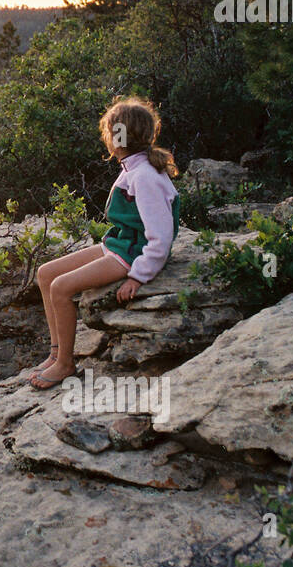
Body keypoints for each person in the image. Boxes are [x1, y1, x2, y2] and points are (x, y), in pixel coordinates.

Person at [28, 96, 181, 389]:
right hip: (120, 244)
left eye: (110, 131)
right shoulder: (134, 167)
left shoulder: (145, 176)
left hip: (131, 254)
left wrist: (139, 276)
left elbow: (160, 238)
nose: (107, 137)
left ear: (119, 137)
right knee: (46, 274)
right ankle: (56, 352)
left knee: (61, 287)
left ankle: (65, 365)